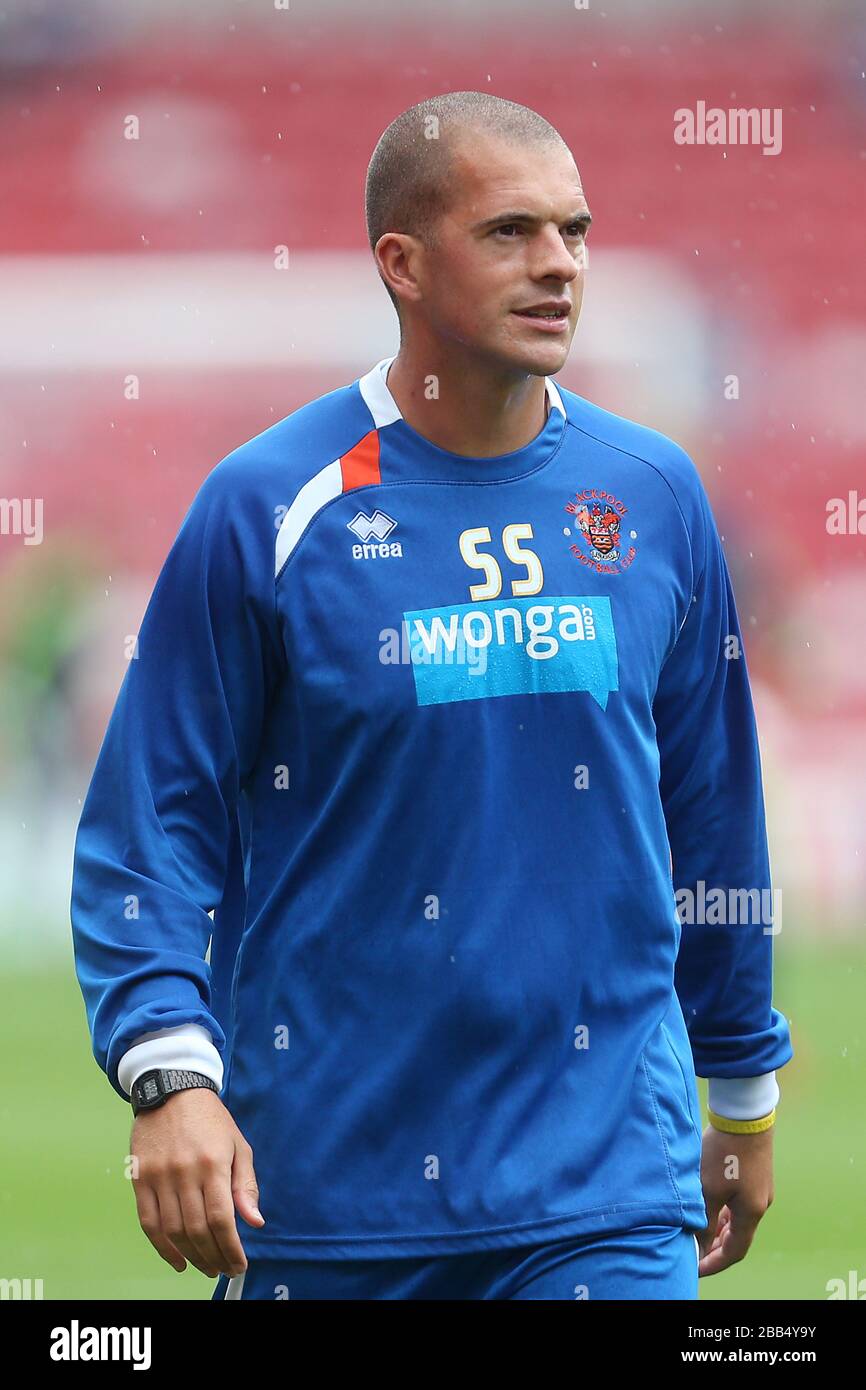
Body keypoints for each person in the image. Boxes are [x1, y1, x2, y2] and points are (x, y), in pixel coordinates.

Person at [70, 91, 793, 1301]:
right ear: (400, 264)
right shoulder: (268, 508)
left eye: (573, 231)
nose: (557, 265)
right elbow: (151, 829)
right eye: (510, 233)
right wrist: (171, 1078)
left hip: (602, 1194)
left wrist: (742, 1092)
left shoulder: (652, 494)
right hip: (324, 1197)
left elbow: (713, 812)